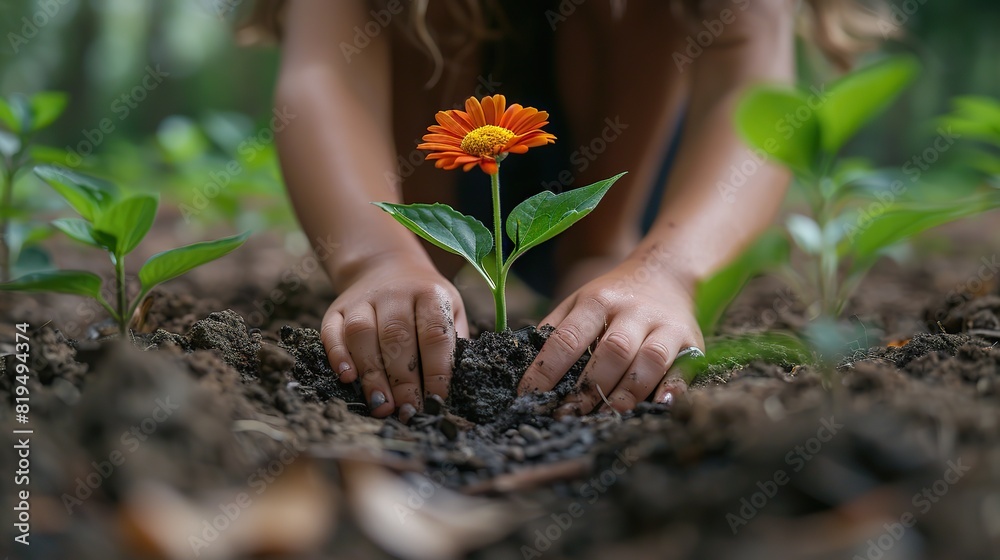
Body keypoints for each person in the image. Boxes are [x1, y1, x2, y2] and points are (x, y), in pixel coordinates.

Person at [246, 0, 885, 417]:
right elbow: (325, 71)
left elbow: (751, 92)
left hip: (645, 161)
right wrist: (374, 258)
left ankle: (604, 255)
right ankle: (419, 263)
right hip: (429, 123)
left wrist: (670, 271)